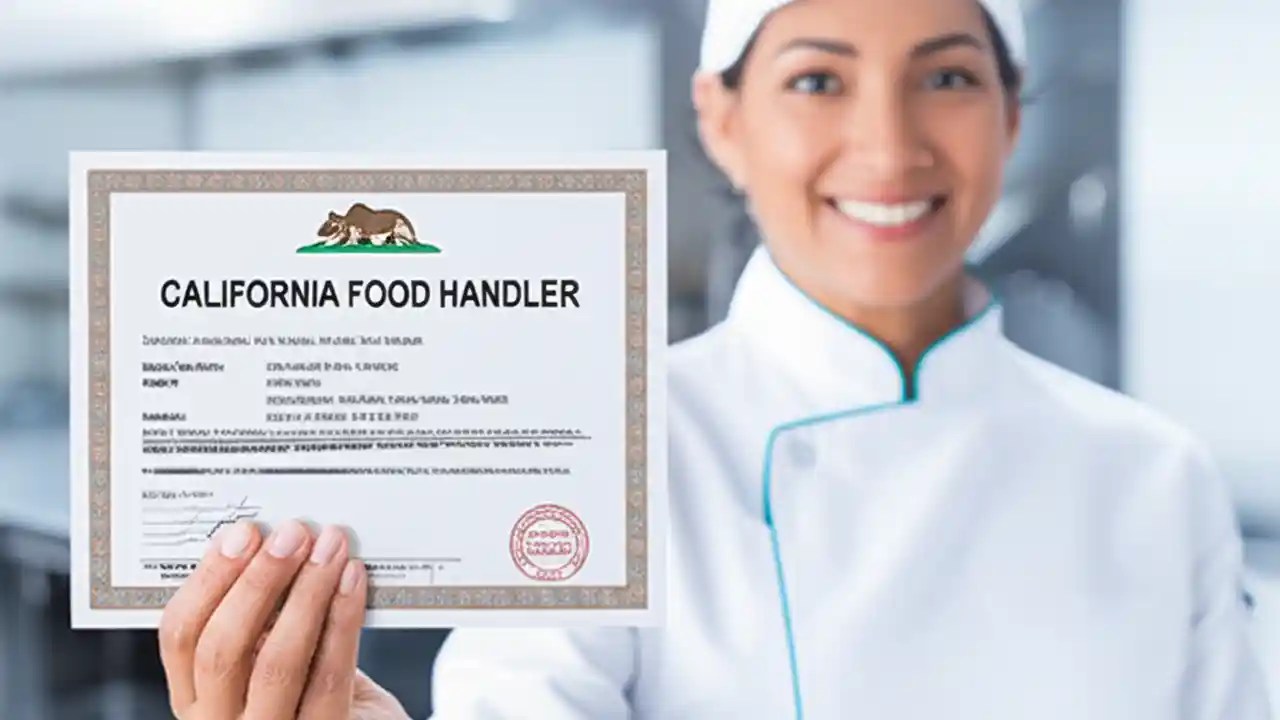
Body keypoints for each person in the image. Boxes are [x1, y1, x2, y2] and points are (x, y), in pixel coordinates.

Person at [155, 0, 1274, 717]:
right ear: (720, 118)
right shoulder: (603, 450)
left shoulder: (1153, 474)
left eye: (946, 78)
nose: (889, 147)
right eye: (816, 80)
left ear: (1011, 116)